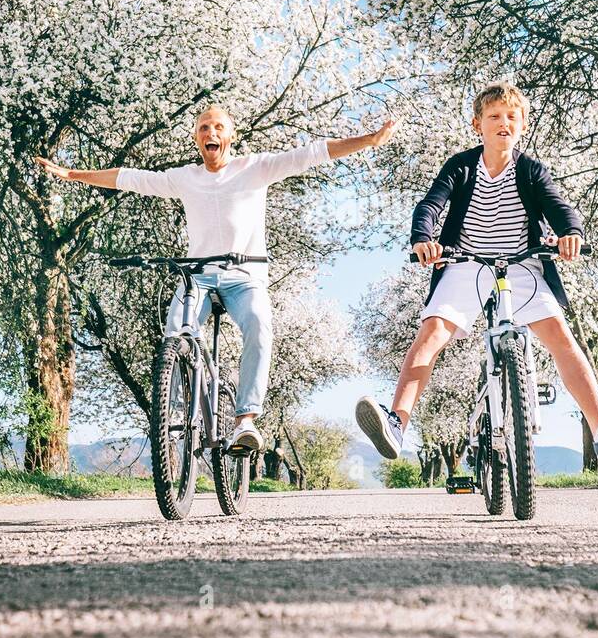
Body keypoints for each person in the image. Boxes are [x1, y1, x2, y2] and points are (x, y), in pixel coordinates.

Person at [37, 105, 395, 454]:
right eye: (204, 128)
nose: (211, 133)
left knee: (258, 324)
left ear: (231, 136)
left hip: (245, 276)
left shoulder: (255, 168)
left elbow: (313, 153)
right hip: (198, 277)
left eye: (219, 127)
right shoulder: (185, 178)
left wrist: (370, 140)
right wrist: (73, 175)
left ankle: (245, 420)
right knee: (175, 333)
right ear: (196, 138)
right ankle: (177, 408)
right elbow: (130, 178)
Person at [354, 82, 598, 468]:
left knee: (560, 337)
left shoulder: (529, 170)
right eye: (494, 116)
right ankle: (397, 422)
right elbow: (431, 204)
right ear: (478, 124)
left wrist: (571, 234)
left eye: (512, 117)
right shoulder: (461, 166)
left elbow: (557, 206)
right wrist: (423, 239)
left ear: (523, 125)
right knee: (431, 334)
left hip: (521, 265)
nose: (503, 123)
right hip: (466, 263)